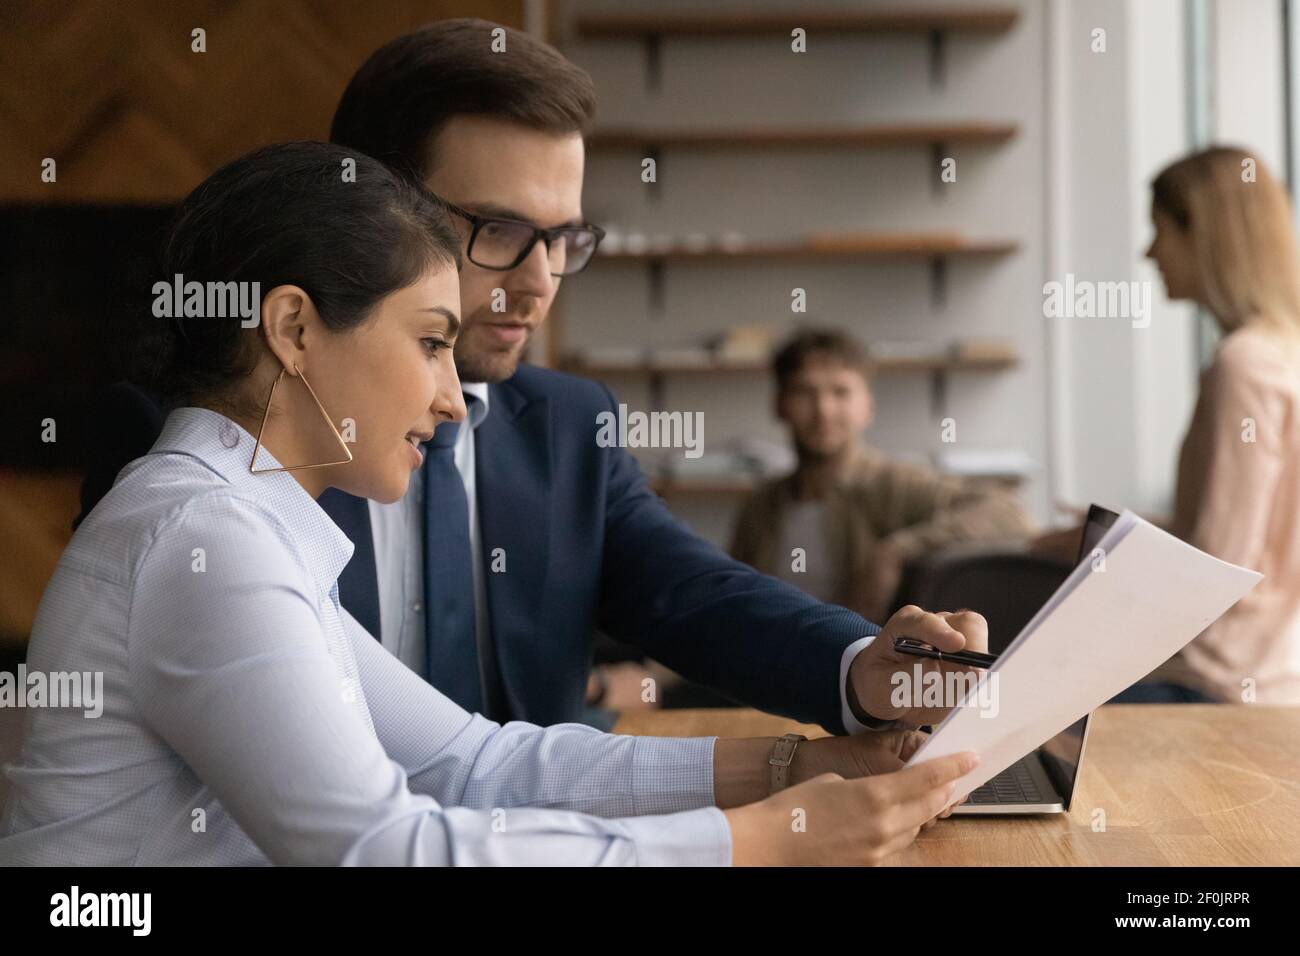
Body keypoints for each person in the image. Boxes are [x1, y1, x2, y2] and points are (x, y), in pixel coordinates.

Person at [0, 143, 978, 866]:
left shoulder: (232, 523)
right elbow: (385, 851)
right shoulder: (205, 539)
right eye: (429, 340)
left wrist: (791, 772)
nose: (445, 397)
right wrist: (755, 842)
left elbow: (471, 763)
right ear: (294, 328)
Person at [76, 18, 990, 738]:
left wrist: (862, 666)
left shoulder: (569, 421)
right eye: (501, 231)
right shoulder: (201, 438)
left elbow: (696, 595)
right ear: (375, 214)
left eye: (565, 240)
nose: (540, 281)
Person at [1135, 147, 1300, 704]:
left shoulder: (1243, 364)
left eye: (1160, 230)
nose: (1150, 251)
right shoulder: (1285, 353)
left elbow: (1221, 562)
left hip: (1221, 682)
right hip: (1279, 674)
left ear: (1203, 234)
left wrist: (1113, 555)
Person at [732, 329, 1034, 622]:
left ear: (868, 406)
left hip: (854, 664)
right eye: (805, 392)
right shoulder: (760, 506)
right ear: (779, 405)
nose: (823, 410)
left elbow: (1007, 512)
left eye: (841, 392)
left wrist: (897, 549)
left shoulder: (893, 484)